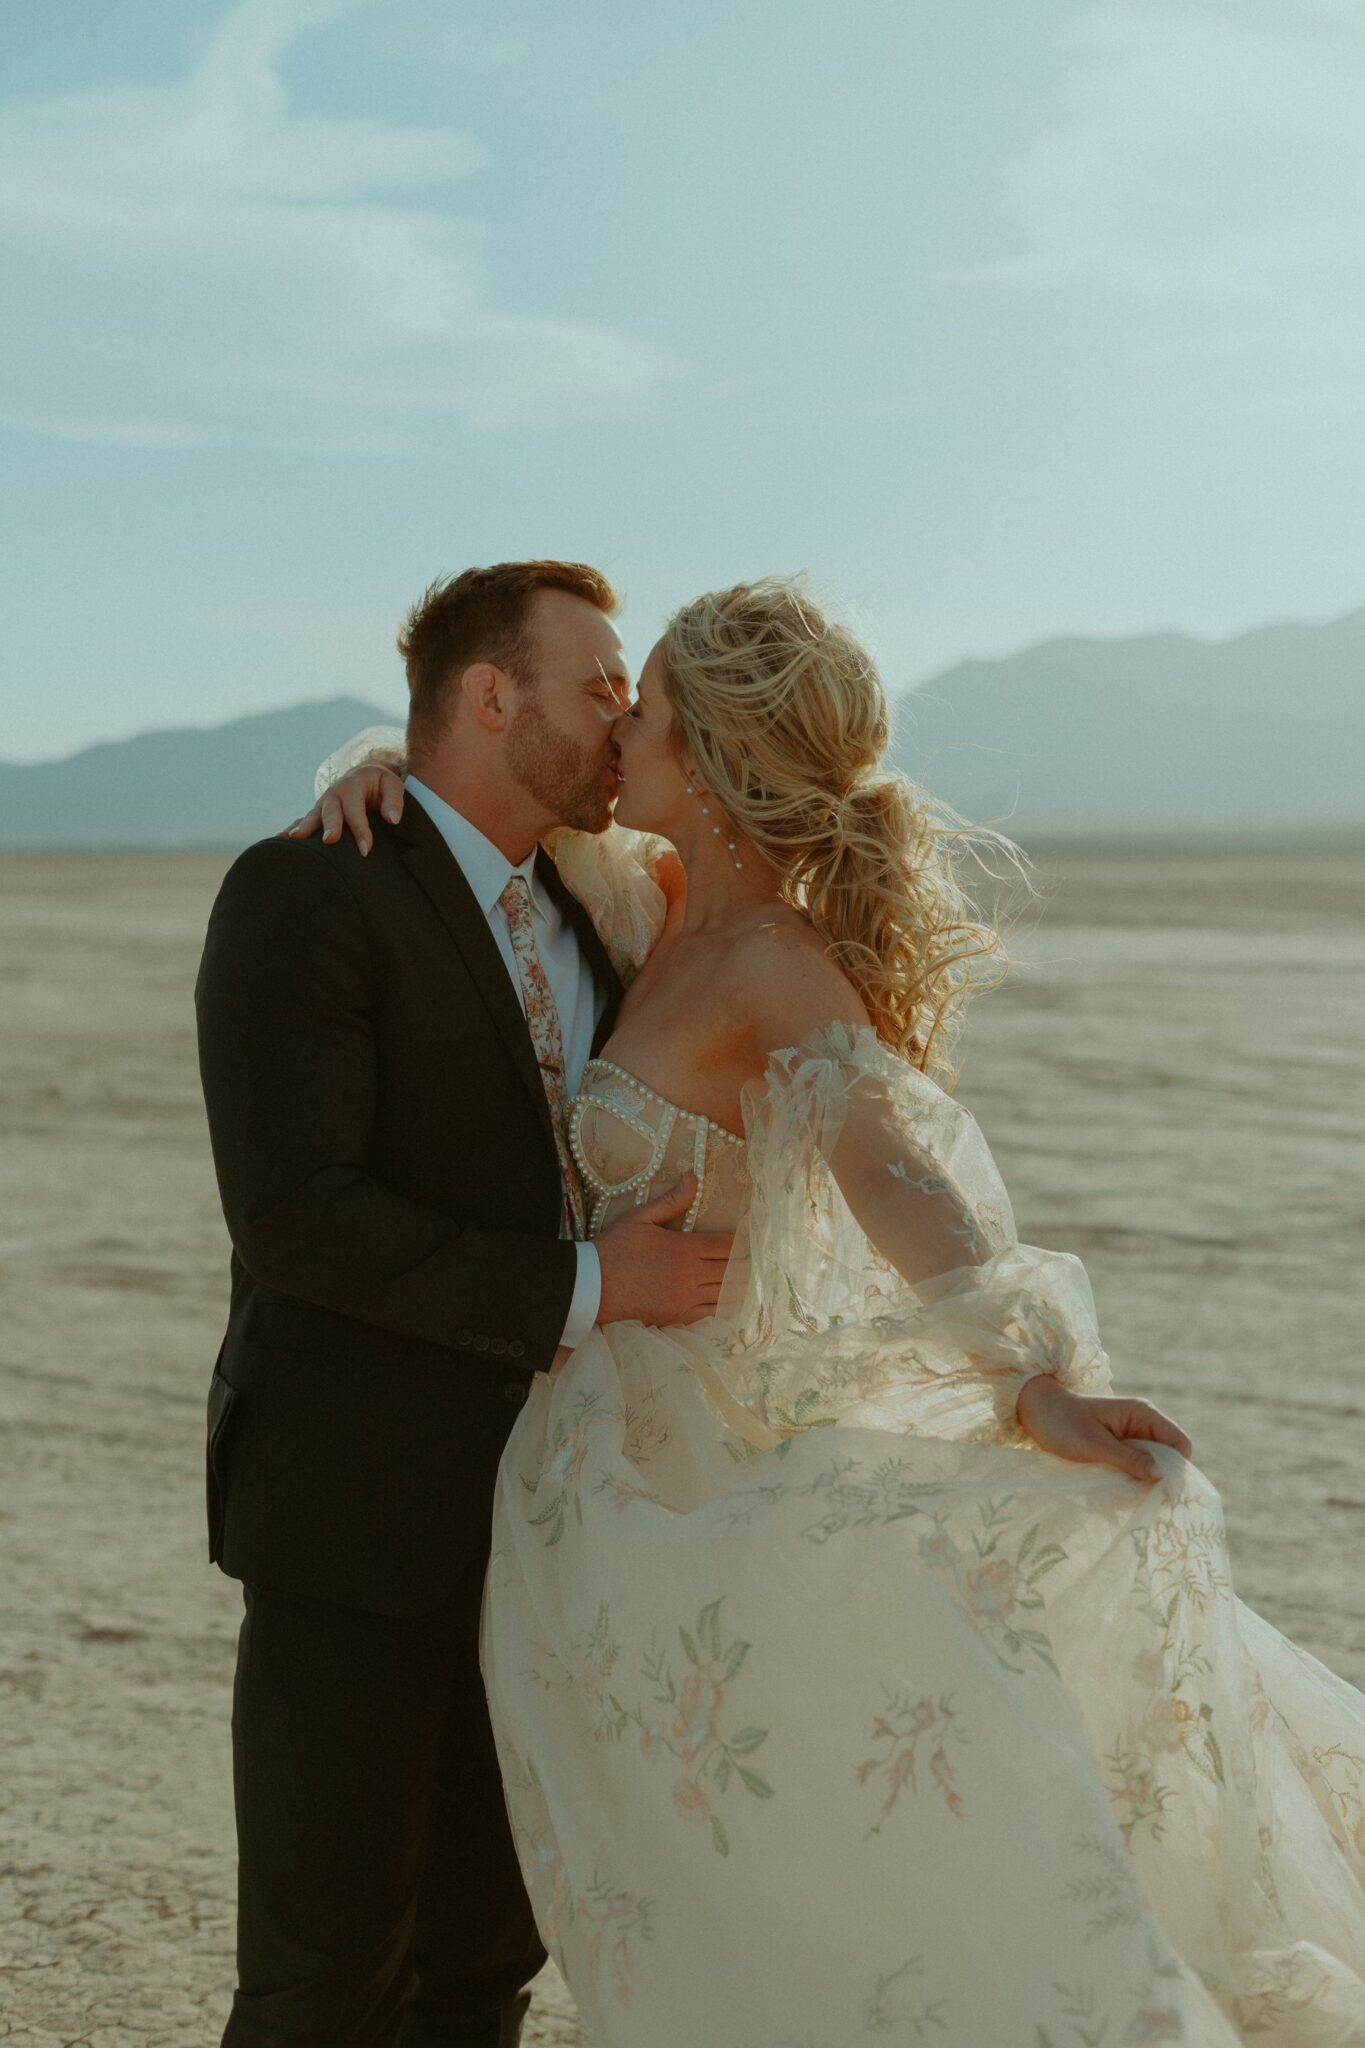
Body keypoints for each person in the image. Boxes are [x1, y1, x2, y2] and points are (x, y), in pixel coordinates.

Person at [293, 577, 1365, 2046]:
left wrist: (1027, 1381)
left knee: (777, 1877)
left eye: (643, 708)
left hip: (678, 1469)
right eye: (609, 698)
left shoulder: (775, 966)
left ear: (713, 754)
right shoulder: (637, 899)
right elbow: (472, 850)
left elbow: (899, 1175)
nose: (616, 733)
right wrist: (379, 778)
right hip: (574, 1453)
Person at [194, 560, 734, 2048]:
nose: (621, 719)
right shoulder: (305, 889)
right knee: (319, 1981)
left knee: (480, 1976)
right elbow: (298, 1218)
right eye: (596, 687)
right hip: (355, 1519)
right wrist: (588, 1286)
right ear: (492, 698)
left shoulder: (603, 901)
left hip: (554, 1530)